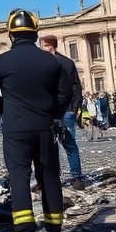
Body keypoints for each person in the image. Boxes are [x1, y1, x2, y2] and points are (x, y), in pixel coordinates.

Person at [0, 9, 73, 232]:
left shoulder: (2, 61)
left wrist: (5, 110)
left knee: (20, 178)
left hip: (16, 130)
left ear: (11, 35)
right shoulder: (51, 61)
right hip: (45, 127)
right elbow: (66, 92)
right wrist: (54, 113)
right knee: (50, 177)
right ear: (35, 34)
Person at [38, 35, 83, 188]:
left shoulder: (62, 63)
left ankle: (61, 177)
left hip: (58, 111)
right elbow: (77, 87)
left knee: (57, 145)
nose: (42, 49)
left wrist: (73, 108)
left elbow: (75, 87)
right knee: (66, 145)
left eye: (44, 45)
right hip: (62, 110)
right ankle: (74, 177)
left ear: (50, 46)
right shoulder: (67, 62)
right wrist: (74, 108)